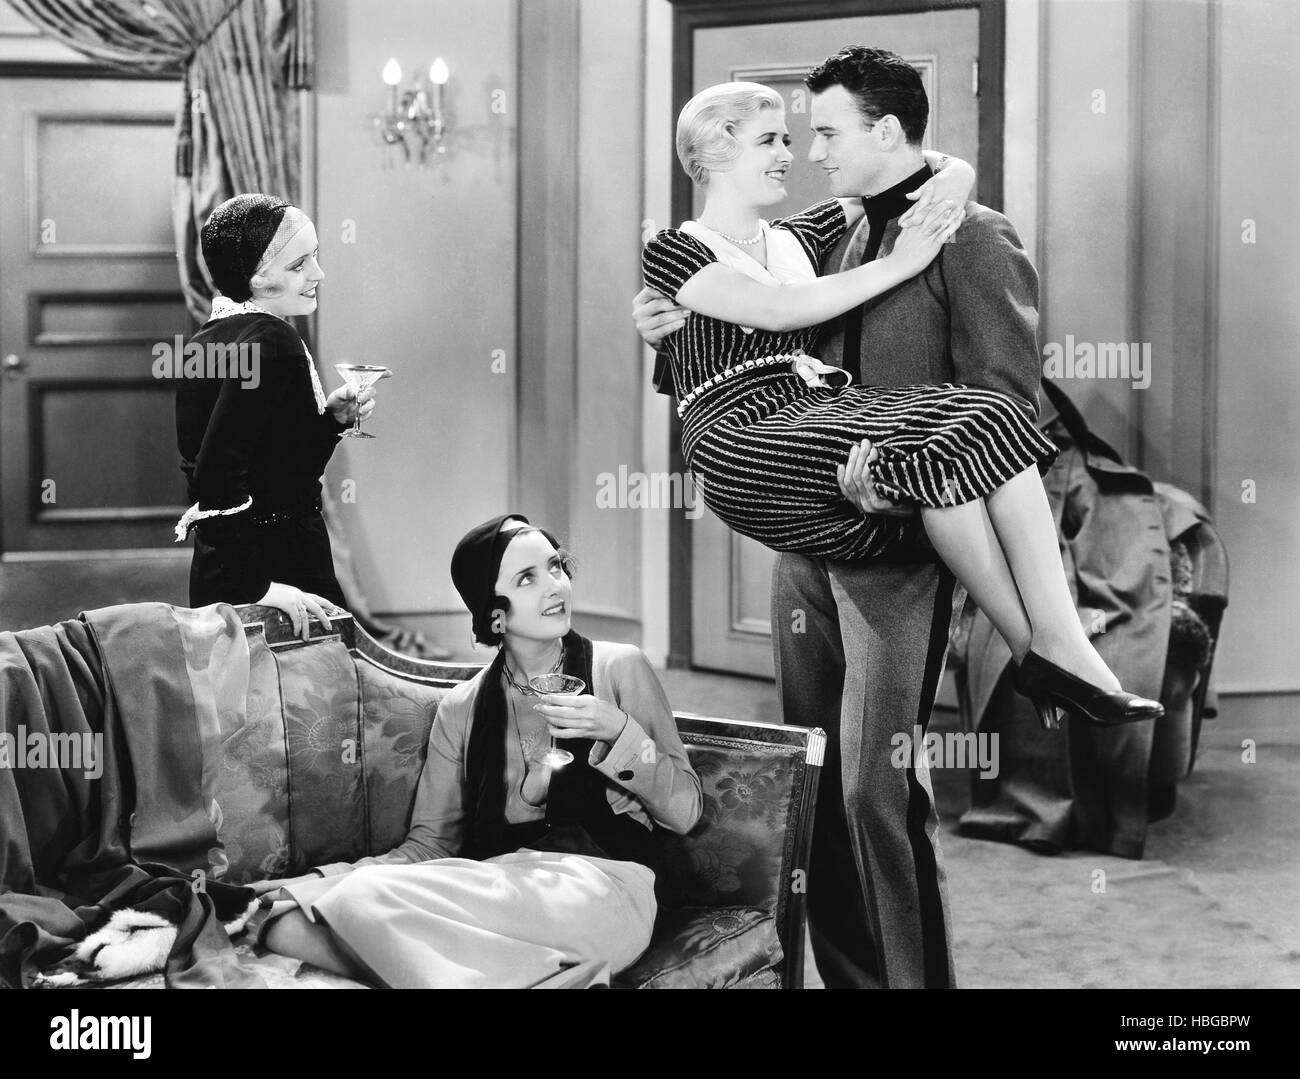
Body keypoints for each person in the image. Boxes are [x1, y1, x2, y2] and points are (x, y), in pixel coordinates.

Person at [634, 51, 1159, 987]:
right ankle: (850, 980)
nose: (808, 153)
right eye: (788, 137)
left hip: (901, 550)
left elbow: (1000, 411)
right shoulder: (812, 238)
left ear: (885, 132)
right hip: (806, 531)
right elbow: (731, 348)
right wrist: (663, 326)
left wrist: (907, 485)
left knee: (878, 793)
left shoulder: (973, 237)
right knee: (818, 786)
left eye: (824, 133)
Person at [639, 78, 1161, 728]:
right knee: (819, 728)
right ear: (716, 148)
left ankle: (1059, 649)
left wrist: (959, 173)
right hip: (740, 434)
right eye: (770, 140)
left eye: (797, 138)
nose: (791, 154)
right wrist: (904, 261)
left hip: (812, 415)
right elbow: (776, 310)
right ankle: (1041, 651)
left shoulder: (794, 237)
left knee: (988, 414)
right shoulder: (670, 250)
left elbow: (928, 171)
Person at [250, 514, 703, 988]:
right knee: (346, 900)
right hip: (499, 887)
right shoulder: (461, 709)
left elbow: (685, 812)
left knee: (347, 921)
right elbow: (428, 848)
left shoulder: (619, 667)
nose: (556, 586)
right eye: (528, 578)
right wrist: (303, 886)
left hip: (604, 892)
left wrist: (621, 732)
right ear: (494, 612)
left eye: (556, 567)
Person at [174, 193, 376, 640]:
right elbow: (215, 476)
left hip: (218, 568)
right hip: (278, 571)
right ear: (259, 277)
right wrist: (259, 586)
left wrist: (330, 422)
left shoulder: (203, 342)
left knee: (233, 708)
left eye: (315, 258)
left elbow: (274, 470)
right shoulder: (274, 338)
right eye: (299, 264)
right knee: (317, 705)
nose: (318, 274)